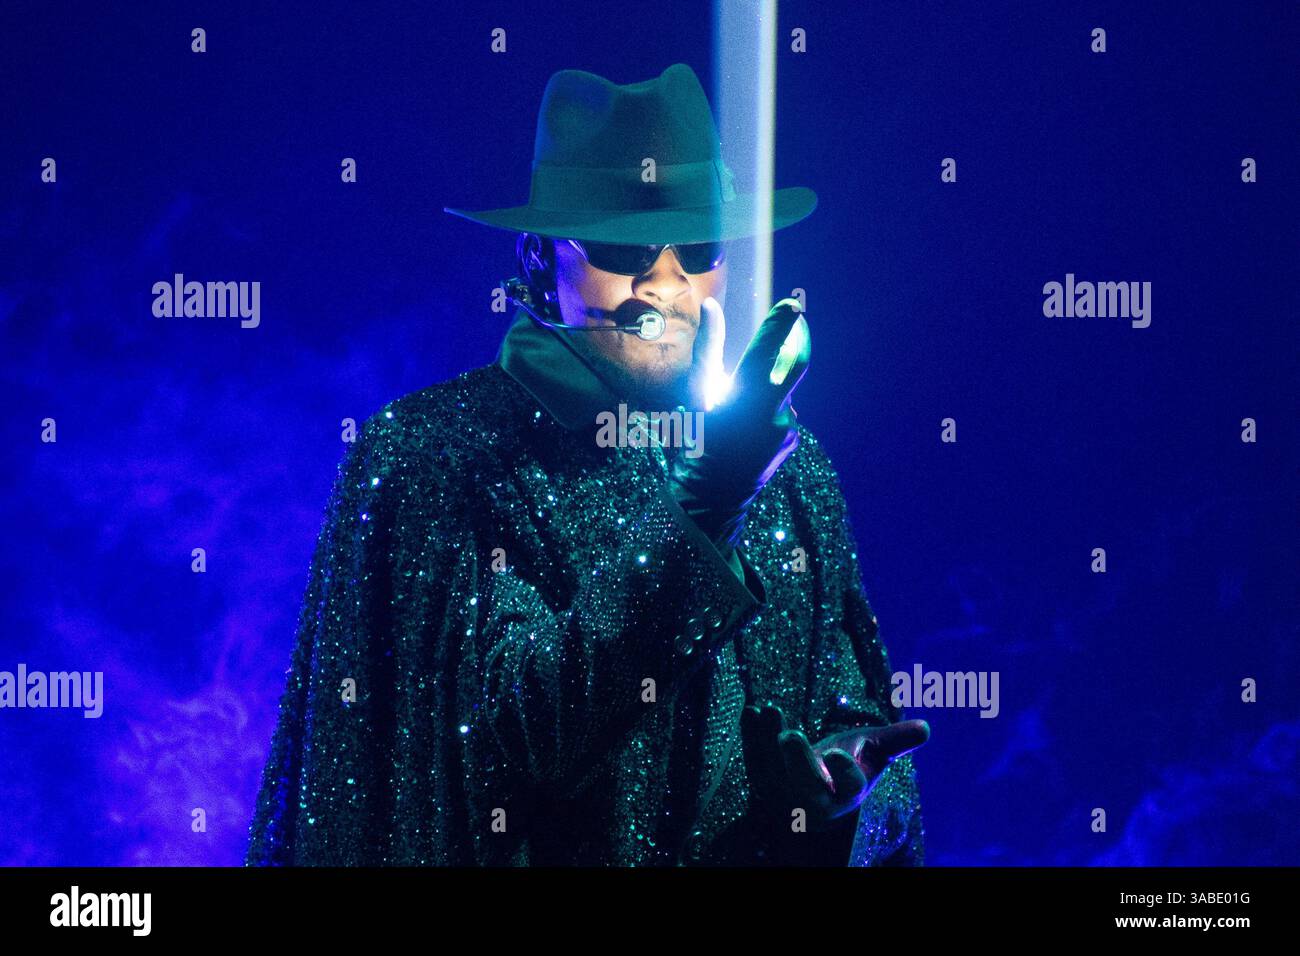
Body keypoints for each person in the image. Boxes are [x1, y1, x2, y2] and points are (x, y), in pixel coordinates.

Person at [245, 62, 929, 867]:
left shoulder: (791, 464)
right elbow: (512, 740)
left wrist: (840, 802)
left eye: (699, 247)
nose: (665, 284)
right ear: (538, 262)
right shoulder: (439, 454)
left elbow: (872, 743)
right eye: (622, 246)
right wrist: (710, 503)